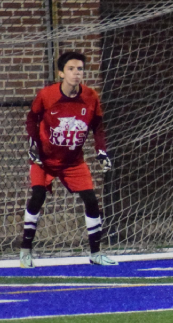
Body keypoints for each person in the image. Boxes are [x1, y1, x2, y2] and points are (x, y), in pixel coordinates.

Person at [20, 51, 114, 268]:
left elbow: (98, 127)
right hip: (44, 159)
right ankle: (25, 251)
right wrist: (33, 144)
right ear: (61, 73)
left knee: (91, 200)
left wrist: (101, 151)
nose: (76, 73)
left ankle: (96, 253)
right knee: (38, 196)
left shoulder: (91, 97)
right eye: (71, 69)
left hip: (73, 161)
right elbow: (31, 119)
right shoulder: (47, 95)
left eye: (80, 69)